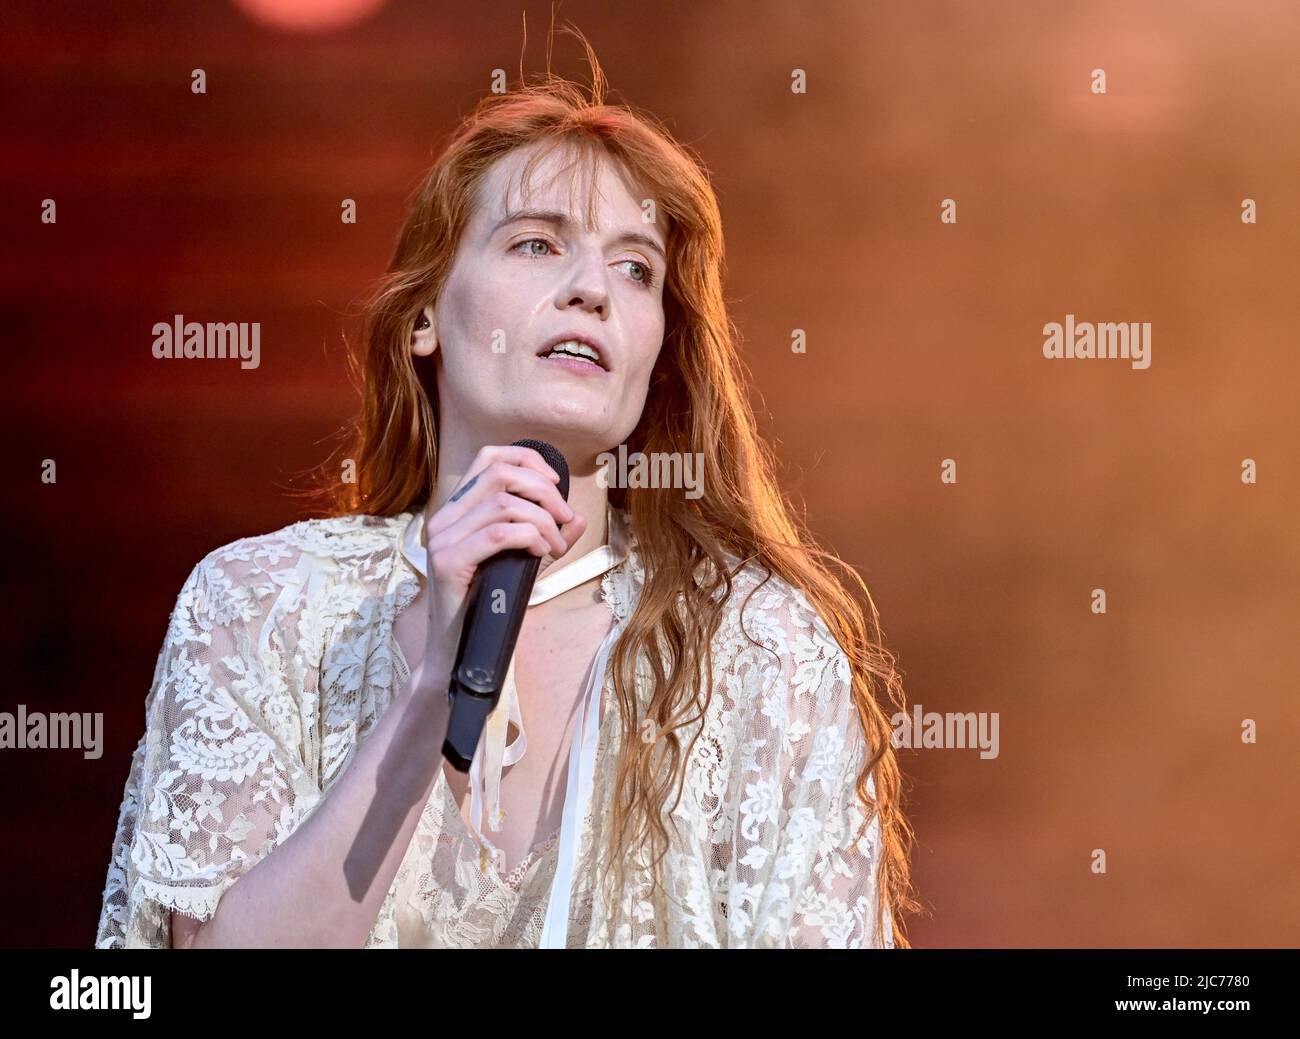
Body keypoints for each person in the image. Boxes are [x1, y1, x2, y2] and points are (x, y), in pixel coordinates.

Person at [94, 46, 919, 949]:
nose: (592, 289)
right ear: (423, 316)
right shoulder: (261, 606)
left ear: (657, 352)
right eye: (537, 243)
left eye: (636, 269)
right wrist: (427, 696)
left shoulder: (762, 644)